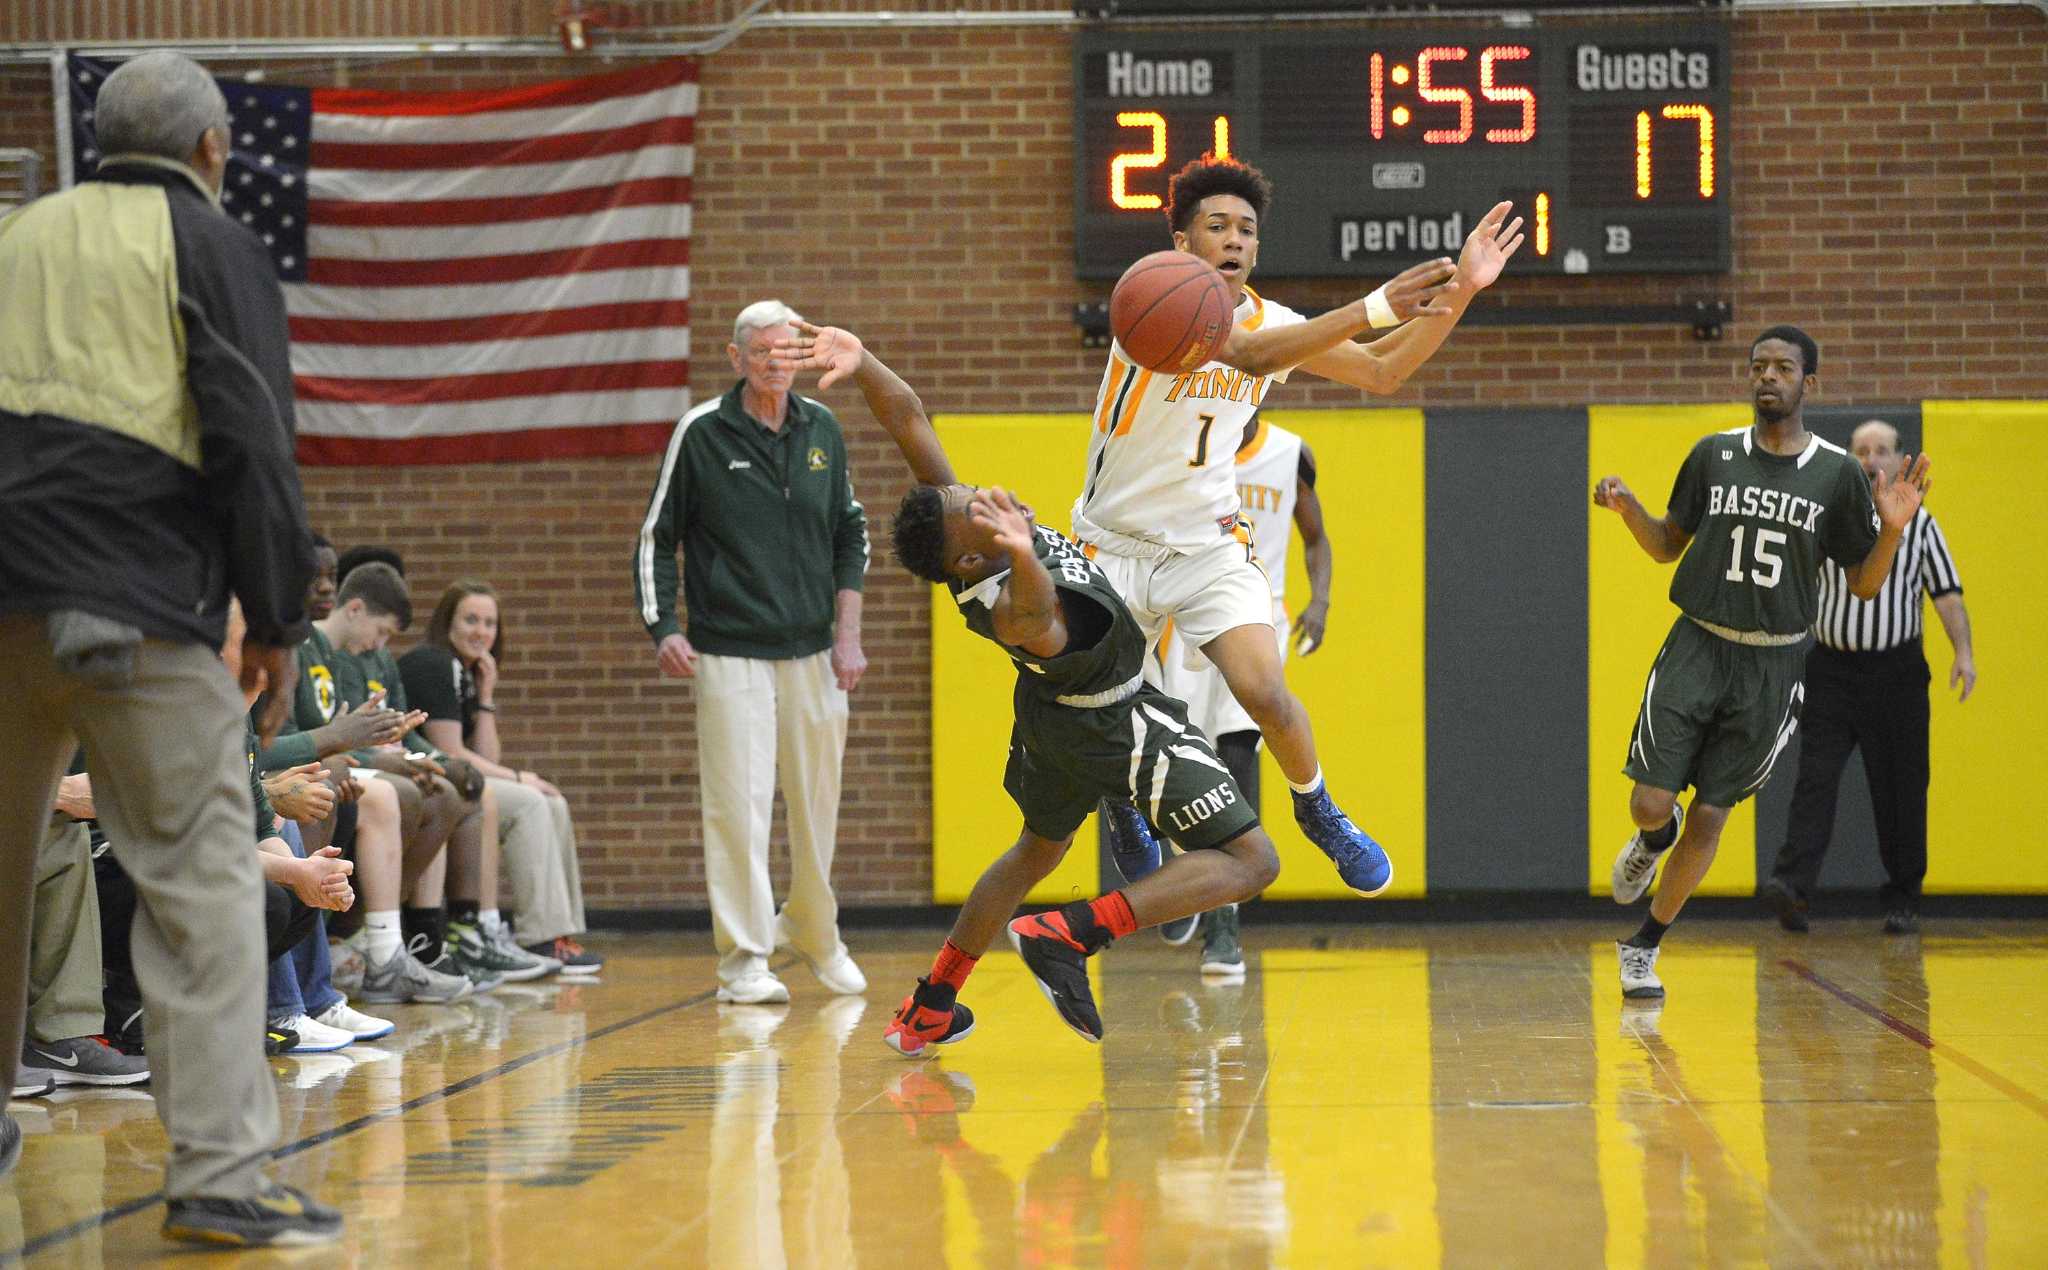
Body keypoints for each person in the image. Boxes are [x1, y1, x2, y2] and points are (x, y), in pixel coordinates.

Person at [0, 49, 342, 1240]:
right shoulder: (209, 243)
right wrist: (277, 617)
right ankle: (217, 1177)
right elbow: (252, 433)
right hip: (131, 600)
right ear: (211, 150)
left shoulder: (17, 236)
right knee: (199, 880)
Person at [771, 322, 1294, 1054]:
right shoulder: (998, 597)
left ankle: (931, 1003)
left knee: (1034, 853)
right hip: (1113, 722)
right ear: (966, 560)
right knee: (1254, 862)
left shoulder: (962, 530)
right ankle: (1071, 933)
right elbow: (1040, 623)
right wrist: (1022, 551)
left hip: (1051, 726)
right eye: (976, 512)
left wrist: (863, 363)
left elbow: (909, 417)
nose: (982, 495)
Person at [1081, 157, 1521, 900]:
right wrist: (1375, 303)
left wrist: (1463, 290)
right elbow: (1249, 355)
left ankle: (1317, 807)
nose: (1234, 240)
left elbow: (1382, 372)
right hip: (1114, 541)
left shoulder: (1274, 322)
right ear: (1182, 240)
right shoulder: (1151, 293)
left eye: (1247, 230)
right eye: (1217, 225)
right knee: (1105, 708)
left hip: (1206, 544)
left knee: (1266, 692)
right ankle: (1122, 800)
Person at [1597, 327, 1931, 1002]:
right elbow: (1668, 545)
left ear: (1810, 383)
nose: (1767, 376)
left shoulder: (1836, 473)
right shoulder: (1713, 454)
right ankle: (1651, 837)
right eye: (1758, 366)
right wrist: (1630, 509)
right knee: (1650, 799)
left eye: (1782, 367)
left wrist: (1892, 529)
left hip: (1773, 667)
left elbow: (1864, 585)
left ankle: (1644, 945)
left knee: (1713, 817)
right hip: (1698, 643)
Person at [632, 300, 871, 1005]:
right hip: (728, 650)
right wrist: (663, 627)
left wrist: (848, 635)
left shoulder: (822, 427)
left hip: (815, 653)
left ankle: (815, 930)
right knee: (738, 805)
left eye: (787, 352)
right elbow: (656, 537)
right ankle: (743, 960)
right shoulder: (701, 433)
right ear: (736, 359)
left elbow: (850, 534)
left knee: (816, 804)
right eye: (762, 352)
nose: (776, 363)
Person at [1760, 419, 1975, 935]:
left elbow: (1945, 594)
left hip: (1896, 674)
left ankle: (1904, 898)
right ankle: (1793, 888)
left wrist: (1963, 652)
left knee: (1901, 788)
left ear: (1899, 457)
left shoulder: (1922, 526)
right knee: (1814, 779)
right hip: (1831, 670)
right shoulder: (1829, 520)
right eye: (1861, 450)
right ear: (1848, 460)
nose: (1871, 458)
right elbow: (1792, 583)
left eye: (1881, 449)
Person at [1137, 413, 1332, 978]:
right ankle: (1183, 886)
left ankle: (1225, 929)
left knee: (1239, 758)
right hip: (1192, 617)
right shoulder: (1189, 447)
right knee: (1182, 764)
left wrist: (1319, 602)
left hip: (1259, 619)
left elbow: (1316, 538)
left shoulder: (1293, 452)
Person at [401, 579, 603, 973]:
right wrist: (518, 776)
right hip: (426, 777)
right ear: (448, 624)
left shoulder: (466, 672)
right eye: (471, 620)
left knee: (552, 801)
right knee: (529, 802)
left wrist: (487, 695)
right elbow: (453, 753)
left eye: (490, 623)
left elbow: (483, 755)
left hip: (456, 777)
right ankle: (537, 937)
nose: (481, 631)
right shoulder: (434, 663)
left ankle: (558, 934)